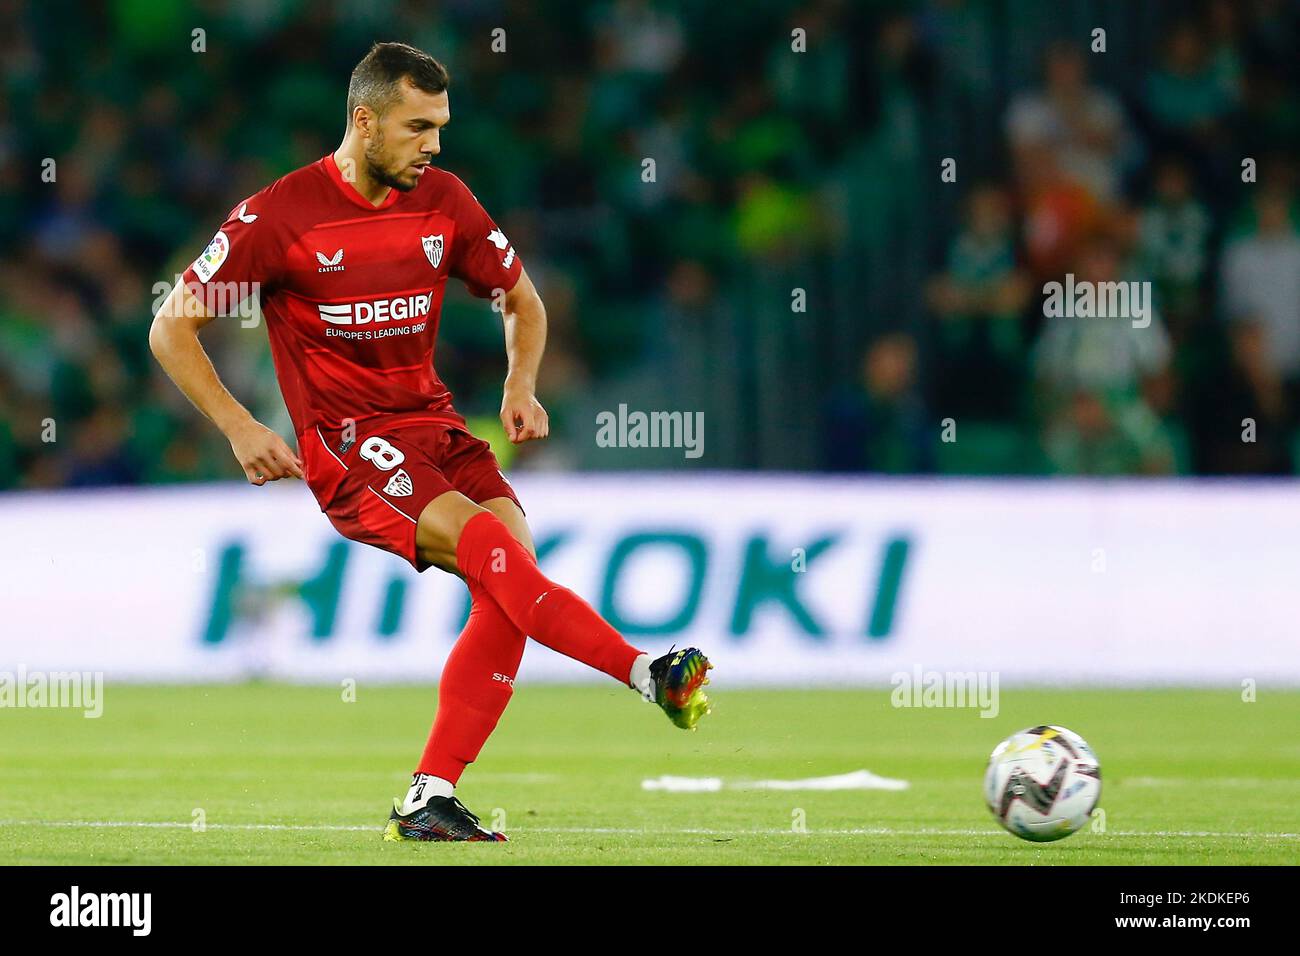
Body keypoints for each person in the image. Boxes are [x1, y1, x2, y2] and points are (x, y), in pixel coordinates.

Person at [149, 42, 712, 843]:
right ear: (364, 118)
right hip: (351, 445)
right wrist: (241, 425)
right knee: (497, 557)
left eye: (441, 126)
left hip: (437, 428)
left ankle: (430, 795)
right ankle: (646, 673)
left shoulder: (443, 200)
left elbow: (524, 300)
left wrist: (521, 383)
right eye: (418, 126)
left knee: (509, 581)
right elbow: (171, 328)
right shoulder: (277, 218)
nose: (435, 144)